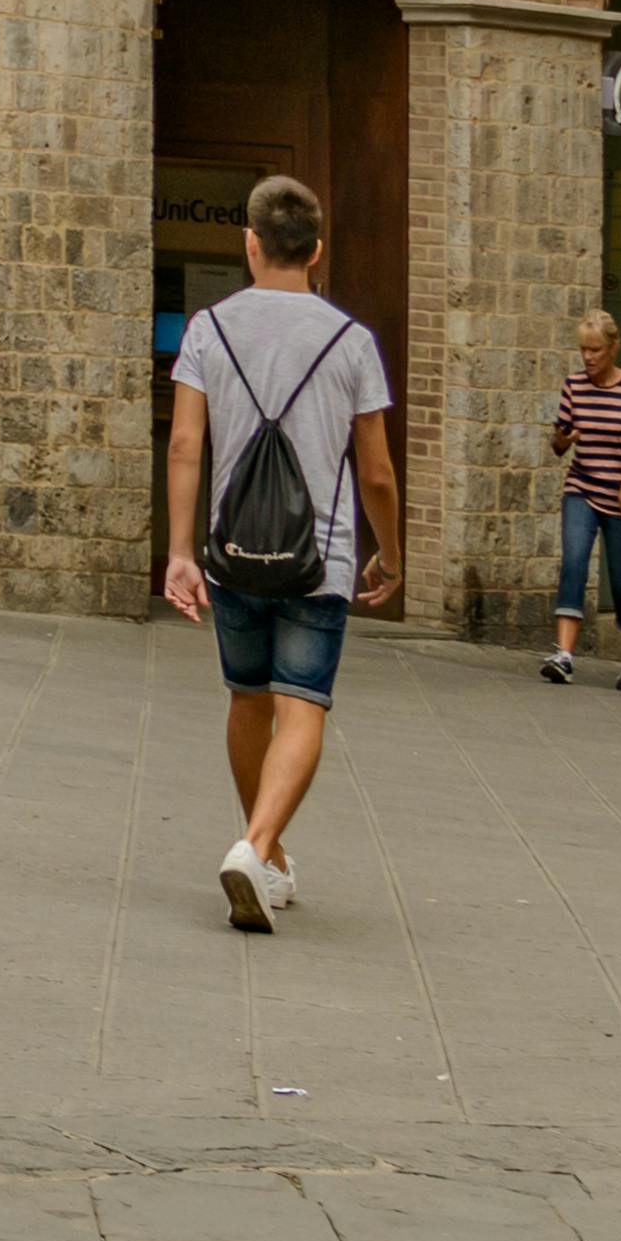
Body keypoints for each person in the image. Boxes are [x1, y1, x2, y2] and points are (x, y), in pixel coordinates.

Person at [160, 169, 400, 927]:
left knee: (247, 696)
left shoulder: (209, 328)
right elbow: (378, 471)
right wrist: (388, 553)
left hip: (233, 550)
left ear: (250, 244)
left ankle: (266, 857)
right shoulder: (352, 341)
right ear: (318, 251)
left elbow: (184, 444)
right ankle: (257, 846)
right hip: (317, 557)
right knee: (302, 706)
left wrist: (179, 552)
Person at [542, 305, 621, 679]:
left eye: (595, 350)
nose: (588, 357)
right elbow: (559, 443)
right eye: (584, 349)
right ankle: (563, 655)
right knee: (574, 563)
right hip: (581, 488)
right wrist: (563, 439)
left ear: (613, 348)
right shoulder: (574, 386)